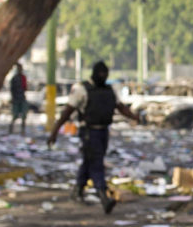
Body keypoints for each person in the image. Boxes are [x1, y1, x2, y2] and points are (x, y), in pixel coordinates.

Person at [48, 61, 137, 213]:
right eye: (101, 74)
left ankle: (78, 190)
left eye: (105, 74)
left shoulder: (109, 90)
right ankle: (103, 196)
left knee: (89, 160)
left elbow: (120, 107)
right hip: (89, 131)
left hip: (103, 131)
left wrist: (134, 117)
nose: (103, 76)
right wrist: (55, 131)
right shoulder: (82, 89)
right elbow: (67, 112)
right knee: (97, 162)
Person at [8, 63, 29, 135]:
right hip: (16, 99)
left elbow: (25, 88)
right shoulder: (14, 78)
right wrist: (12, 98)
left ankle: (22, 131)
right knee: (15, 115)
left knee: (24, 116)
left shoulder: (23, 78)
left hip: (22, 98)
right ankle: (11, 128)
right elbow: (12, 89)